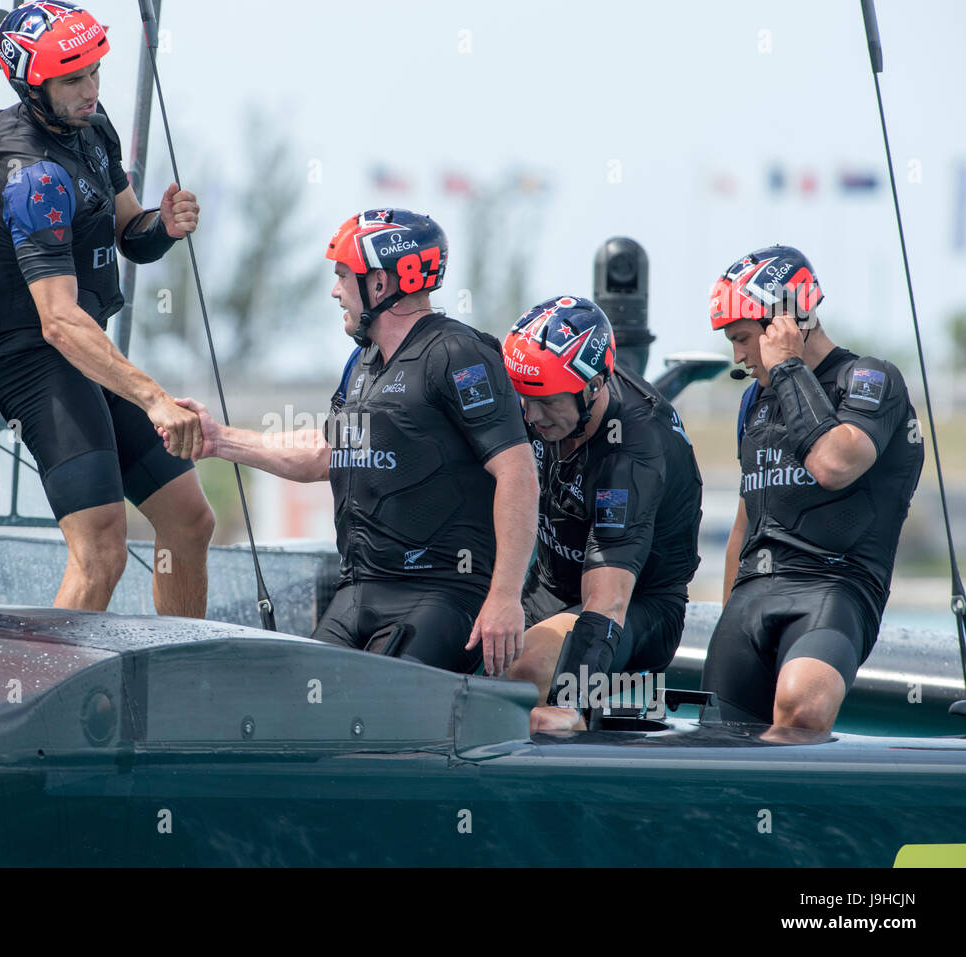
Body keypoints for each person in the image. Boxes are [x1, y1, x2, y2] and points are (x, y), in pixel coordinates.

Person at [170, 209, 538, 674]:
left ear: (381, 285)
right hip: (359, 590)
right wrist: (219, 440)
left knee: (365, 707)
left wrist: (505, 598)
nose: (334, 290)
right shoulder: (361, 364)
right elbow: (325, 453)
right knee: (296, 701)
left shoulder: (458, 353)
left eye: (343, 275)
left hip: (441, 592)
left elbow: (518, 472)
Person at [0, 1, 213, 614]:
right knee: (101, 549)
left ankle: (174, 688)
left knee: (189, 521)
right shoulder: (29, 170)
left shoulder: (90, 128)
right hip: (37, 358)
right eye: (73, 80)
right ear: (30, 83)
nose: (91, 89)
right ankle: (49, 701)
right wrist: (153, 397)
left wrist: (163, 225)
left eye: (95, 71)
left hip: (87, 351)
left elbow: (129, 231)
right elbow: (59, 323)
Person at [704, 245, 923, 729]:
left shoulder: (869, 378)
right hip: (752, 595)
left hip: (834, 587)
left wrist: (786, 367)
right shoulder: (753, 402)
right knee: (717, 739)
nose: (738, 357)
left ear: (786, 322)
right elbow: (745, 523)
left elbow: (834, 464)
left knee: (800, 708)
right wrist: (729, 623)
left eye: (742, 338)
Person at [500, 297, 703, 723]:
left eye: (546, 401)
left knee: (526, 669)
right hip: (553, 583)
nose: (530, 415)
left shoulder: (632, 453)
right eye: (523, 397)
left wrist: (566, 702)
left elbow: (607, 602)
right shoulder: (544, 399)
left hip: (638, 607)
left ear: (592, 388)